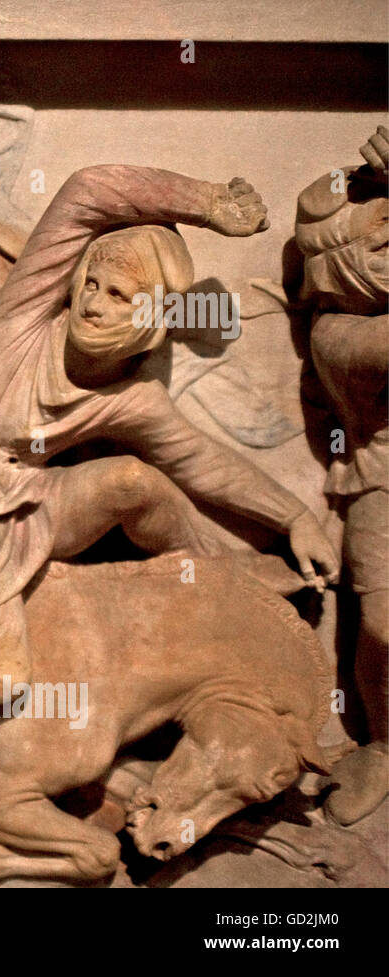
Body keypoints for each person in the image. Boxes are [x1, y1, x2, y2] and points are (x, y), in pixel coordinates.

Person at [0, 164, 341, 847]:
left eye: (119, 296)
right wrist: (206, 204)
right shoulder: (26, 315)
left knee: (133, 484)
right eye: (92, 283)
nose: (94, 303)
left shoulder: (129, 396)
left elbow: (200, 459)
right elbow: (86, 192)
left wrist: (297, 516)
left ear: (150, 316)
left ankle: (232, 587)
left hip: (21, 503)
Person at [297, 126, 389, 825]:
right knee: (385, 626)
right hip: (380, 488)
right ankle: (384, 746)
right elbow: (313, 204)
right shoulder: (343, 336)